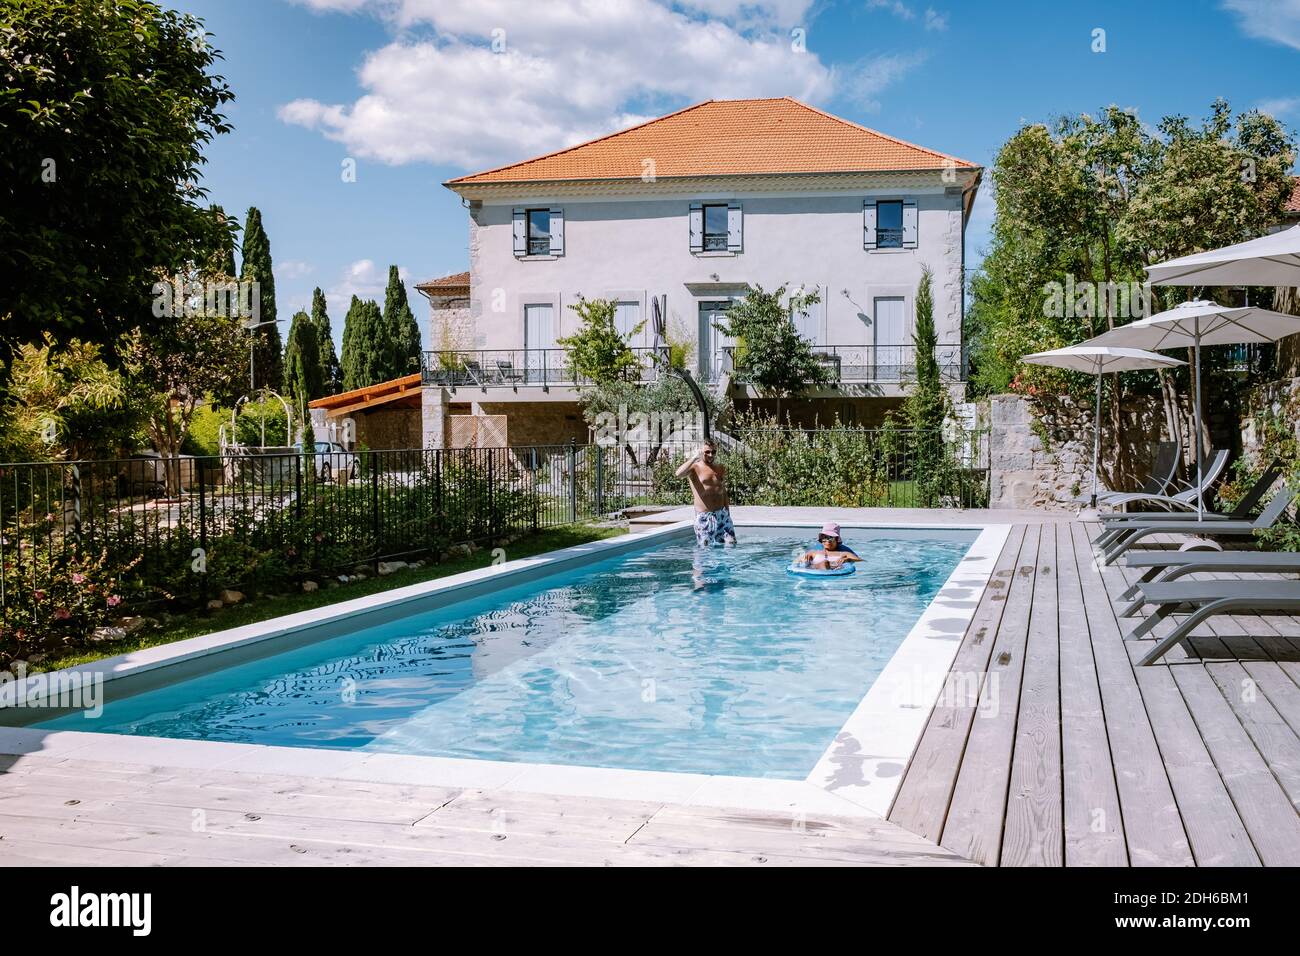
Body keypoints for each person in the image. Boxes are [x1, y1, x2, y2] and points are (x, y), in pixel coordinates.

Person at [676, 439, 736, 547]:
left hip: (722, 515)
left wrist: (727, 512)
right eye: (707, 452)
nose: (711, 455)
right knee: (705, 549)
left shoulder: (720, 468)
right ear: (700, 452)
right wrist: (694, 457)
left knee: (731, 544)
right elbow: (678, 474)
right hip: (704, 517)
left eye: (713, 452)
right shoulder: (694, 468)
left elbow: (723, 491)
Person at [794, 522, 863, 570]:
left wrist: (848, 559)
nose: (827, 541)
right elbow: (796, 562)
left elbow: (861, 560)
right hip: (814, 572)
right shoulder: (813, 553)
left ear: (837, 540)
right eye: (824, 538)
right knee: (824, 562)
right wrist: (803, 560)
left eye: (830, 538)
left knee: (825, 562)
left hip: (832, 574)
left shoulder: (844, 553)